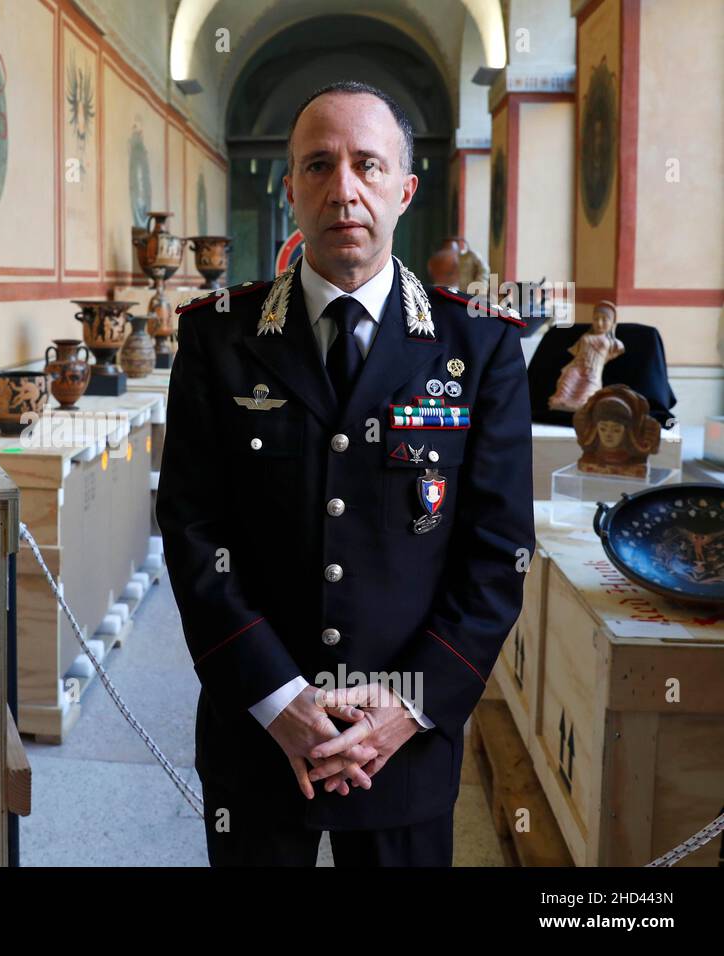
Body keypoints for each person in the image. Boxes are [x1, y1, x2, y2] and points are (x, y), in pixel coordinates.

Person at [155, 81, 535, 866]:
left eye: (368, 164)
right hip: (260, 735)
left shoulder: (480, 349)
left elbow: (497, 556)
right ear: (290, 188)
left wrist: (407, 704)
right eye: (319, 166)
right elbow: (193, 532)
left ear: (405, 189)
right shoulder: (219, 341)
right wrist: (279, 697)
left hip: (403, 747)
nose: (344, 190)